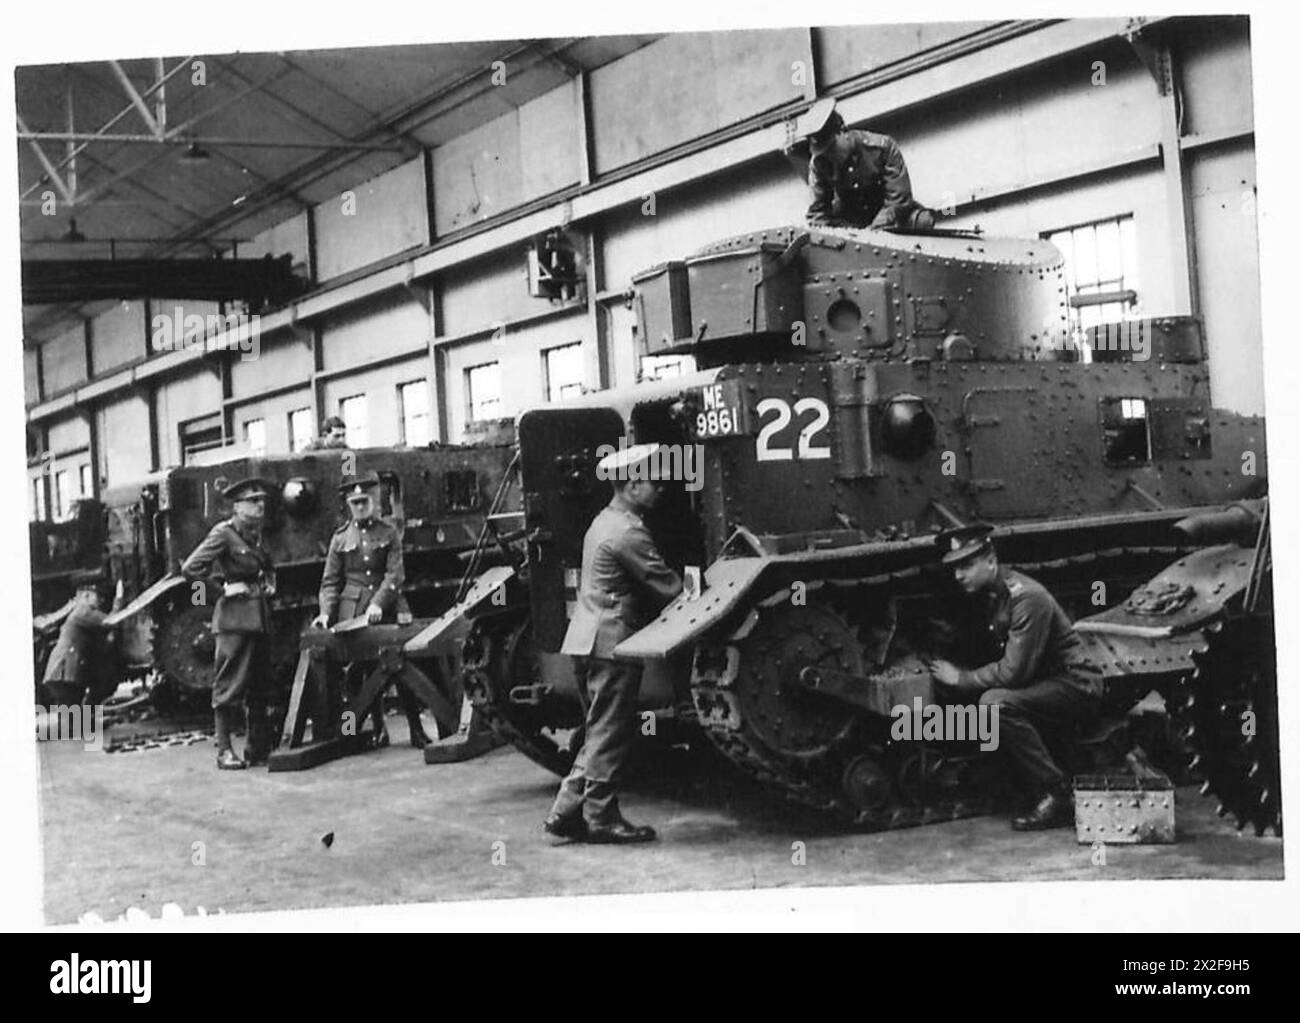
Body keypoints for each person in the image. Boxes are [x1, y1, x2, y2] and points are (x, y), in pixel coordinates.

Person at [544, 443, 683, 845]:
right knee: (610, 733)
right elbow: (667, 586)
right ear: (631, 484)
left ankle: (565, 813)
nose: (659, 489)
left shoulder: (602, 522)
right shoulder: (627, 531)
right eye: (652, 482)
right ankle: (601, 819)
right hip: (612, 644)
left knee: (598, 731)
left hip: (587, 640)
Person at [926, 524, 1103, 830]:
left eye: (967, 565)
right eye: (955, 568)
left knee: (995, 704)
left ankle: (1056, 793)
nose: (958, 576)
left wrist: (962, 679)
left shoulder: (1026, 597)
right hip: (1045, 682)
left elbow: (1013, 672)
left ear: (991, 561)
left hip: (1075, 683)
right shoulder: (994, 593)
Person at [312, 472, 429, 749]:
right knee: (358, 674)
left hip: (387, 606)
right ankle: (369, 731)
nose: (361, 507)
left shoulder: (388, 533)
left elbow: (395, 574)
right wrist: (326, 613)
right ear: (348, 505)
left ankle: (416, 729)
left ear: (374, 502)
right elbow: (330, 581)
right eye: (355, 502)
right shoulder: (340, 538)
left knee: (402, 666)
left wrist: (378, 602)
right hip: (352, 611)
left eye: (365, 501)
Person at [181, 477, 278, 770]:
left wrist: (269, 582)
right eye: (253, 501)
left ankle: (256, 748)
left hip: (258, 615)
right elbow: (191, 569)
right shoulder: (223, 533)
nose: (260, 506)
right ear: (237, 507)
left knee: (259, 685)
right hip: (234, 619)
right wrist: (222, 590)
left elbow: (267, 564)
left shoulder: (255, 533)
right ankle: (224, 751)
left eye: (261, 500)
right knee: (228, 685)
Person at [785, 97, 935, 231]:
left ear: (843, 132)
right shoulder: (819, 163)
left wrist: (872, 233)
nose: (829, 157)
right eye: (824, 153)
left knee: (923, 221)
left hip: (890, 218)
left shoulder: (883, 147)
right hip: (851, 224)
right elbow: (817, 213)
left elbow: (899, 199)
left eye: (832, 149)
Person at [42, 575, 126, 705]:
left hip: (66, 675)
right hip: (65, 674)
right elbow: (111, 621)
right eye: (98, 596)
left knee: (76, 716)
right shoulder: (83, 611)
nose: (102, 600)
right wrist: (119, 600)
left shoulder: (83, 618)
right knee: (72, 716)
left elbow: (103, 645)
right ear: (86, 596)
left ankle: (84, 724)